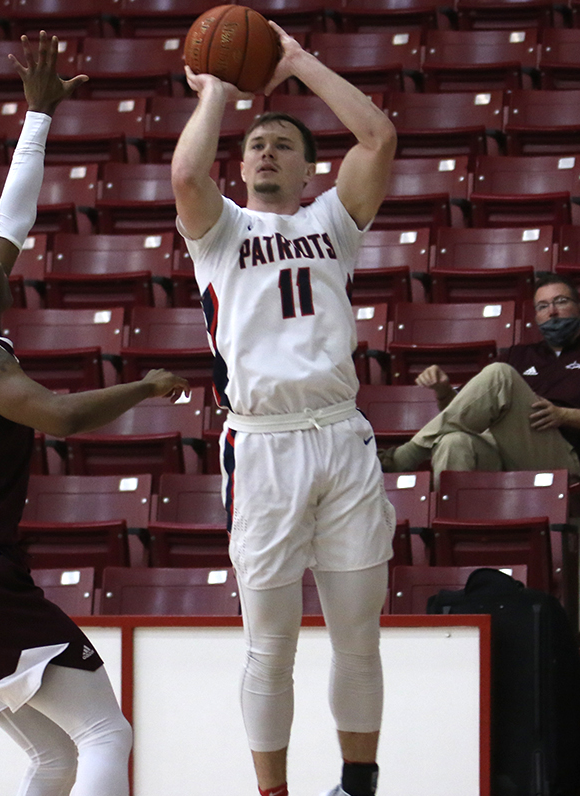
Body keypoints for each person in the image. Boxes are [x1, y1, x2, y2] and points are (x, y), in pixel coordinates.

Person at [0, 32, 189, 796]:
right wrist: (145, 386)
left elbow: (13, 216)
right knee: (105, 732)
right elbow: (56, 417)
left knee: (52, 756)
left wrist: (38, 117)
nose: (3, 252)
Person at [171, 20, 397, 796]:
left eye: (283, 145)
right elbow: (185, 175)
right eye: (256, 145)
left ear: (309, 169)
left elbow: (377, 138)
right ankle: (274, 793)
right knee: (270, 646)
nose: (266, 152)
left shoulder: (331, 222)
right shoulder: (220, 230)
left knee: (356, 636)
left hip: (340, 437)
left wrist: (299, 63)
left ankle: (358, 783)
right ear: (241, 163)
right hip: (263, 445)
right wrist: (219, 95)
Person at [379, 274, 580, 501]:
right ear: (536, 316)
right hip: (502, 452)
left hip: (562, 455)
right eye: (543, 306)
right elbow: (465, 414)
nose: (552, 312)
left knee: (500, 374)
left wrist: (561, 414)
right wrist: (445, 392)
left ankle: (406, 456)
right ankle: (457, 531)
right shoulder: (518, 354)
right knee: (453, 442)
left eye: (560, 302)